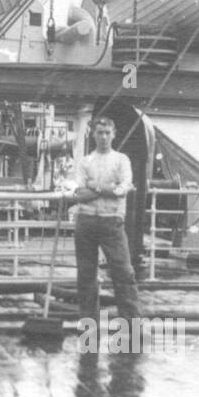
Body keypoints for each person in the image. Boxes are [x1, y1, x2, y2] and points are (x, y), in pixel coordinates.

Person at [71, 116, 142, 333]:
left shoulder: (121, 160)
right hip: (86, 221)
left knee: (123, 273)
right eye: (99, 132)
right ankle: (89, 325)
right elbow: (79, 194)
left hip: (112, 223)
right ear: (93, 134)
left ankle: (131, 325)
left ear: (114, 134)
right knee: (86, 275)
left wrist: (96, 187)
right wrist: (108, 188)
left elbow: (123, 190)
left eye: (107, 132)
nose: (103, 137)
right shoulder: (85, 162)